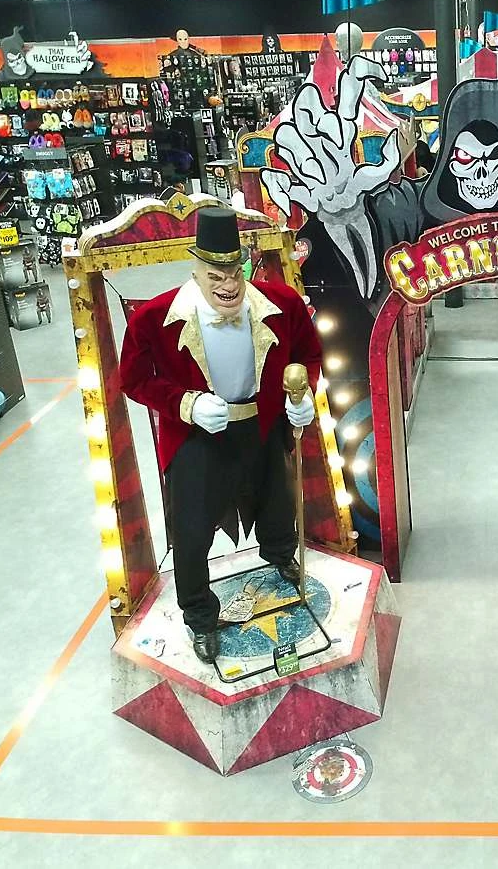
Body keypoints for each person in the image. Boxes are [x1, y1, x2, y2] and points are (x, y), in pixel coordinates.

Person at [119, 208, 322, 662]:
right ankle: (199, 614)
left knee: (277, 498)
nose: (228, 285)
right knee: (192, 530)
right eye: (215, 275)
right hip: (197, 437)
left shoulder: (282, 305)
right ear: (196, 271)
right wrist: (185, 404)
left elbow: (308, 355)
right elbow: (132, 379)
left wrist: (304, 392)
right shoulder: (154, 318)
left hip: (262, 423)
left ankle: (280, 555)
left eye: (234, 273)